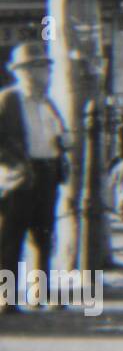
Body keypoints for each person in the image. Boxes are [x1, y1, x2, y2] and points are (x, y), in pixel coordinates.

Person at [0, 43, 69, 313]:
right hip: (19, 176)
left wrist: (63, 145)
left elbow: (57, 134)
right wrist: (15, 164)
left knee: (43, 235)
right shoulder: (8, 100)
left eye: (45, 67)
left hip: (47, 172)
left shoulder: (48, 103)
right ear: (20, 72)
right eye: (35, 68)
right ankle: (6, 297)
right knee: (10, 237)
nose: (43, 73)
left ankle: (39, 292)